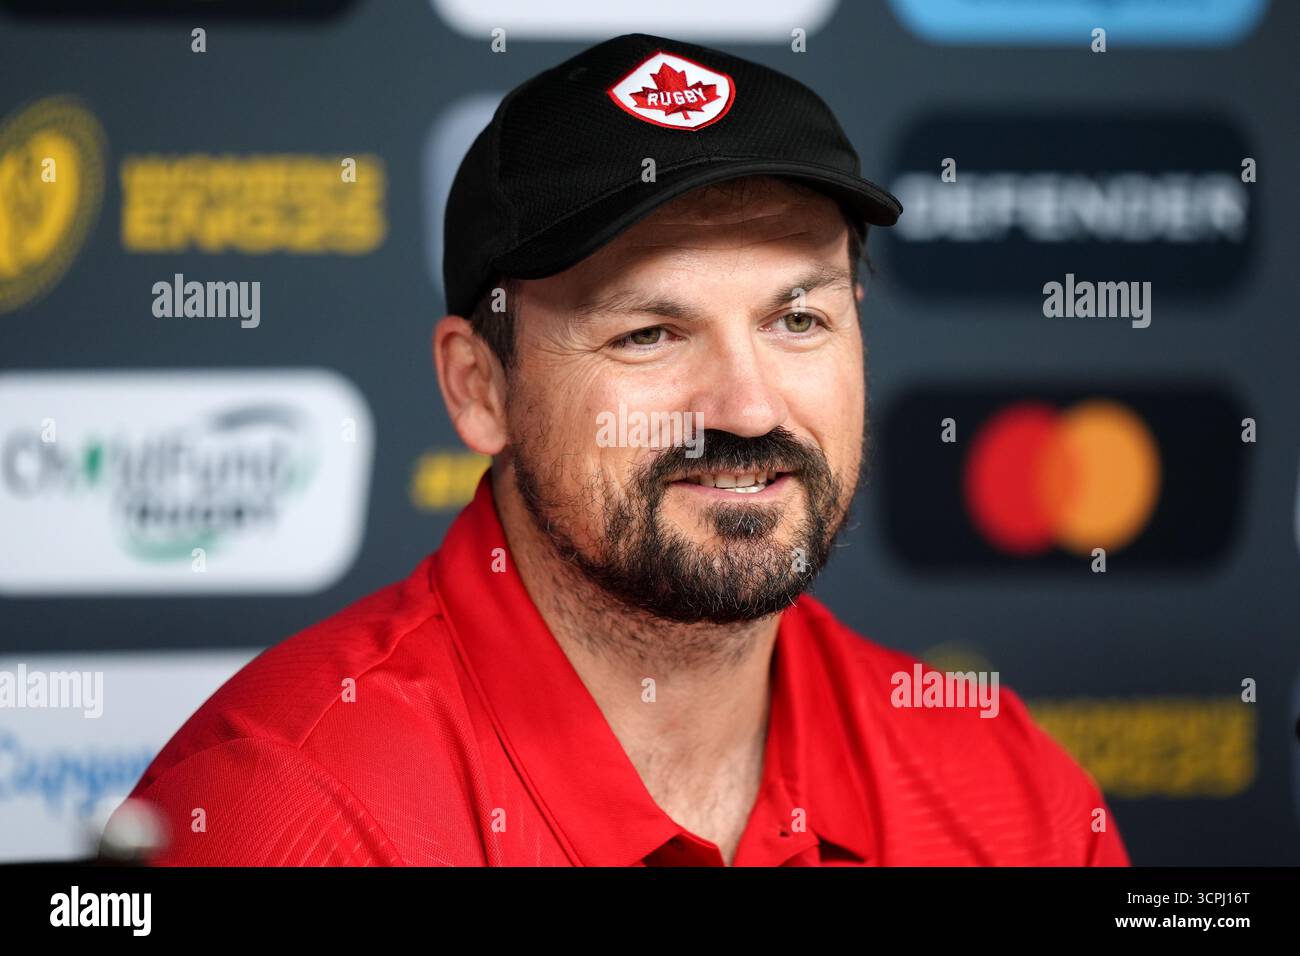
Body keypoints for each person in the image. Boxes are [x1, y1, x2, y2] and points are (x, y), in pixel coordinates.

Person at [124, 33, 1129, 867]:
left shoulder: (1007, 794)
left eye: (798, 318)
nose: (745, 407)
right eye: (648, 331)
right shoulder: (283, 820)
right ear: (481, 387)